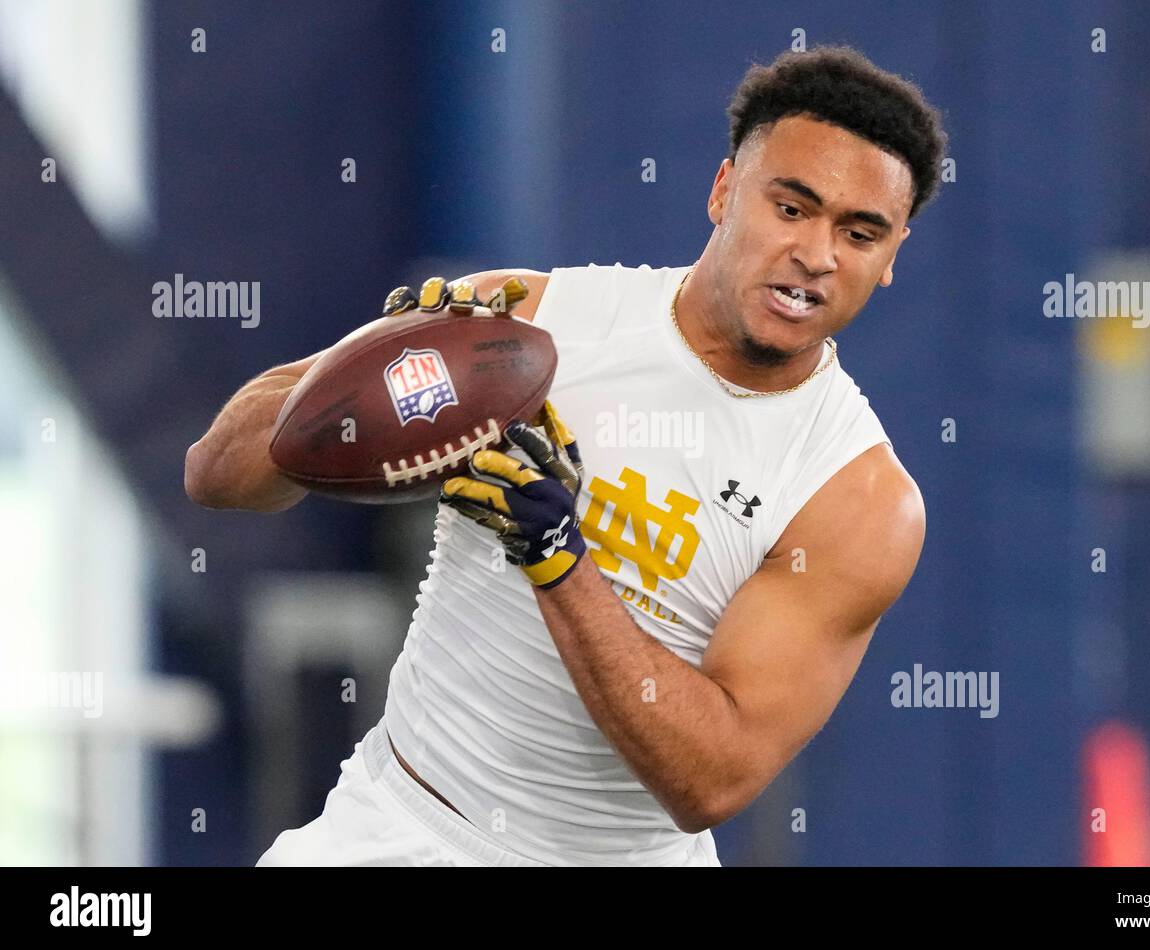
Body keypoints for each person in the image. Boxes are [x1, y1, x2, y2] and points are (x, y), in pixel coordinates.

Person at [185, 44, 947, 866]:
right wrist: (376, 371)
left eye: (859, 233)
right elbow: (216, 475)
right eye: (791, 208)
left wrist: (556, 557)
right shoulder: (533, 321)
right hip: (401, 823)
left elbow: (711, 782)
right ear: (724, 190)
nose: (818, 254)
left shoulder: (858, 497)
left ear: (893, 255)